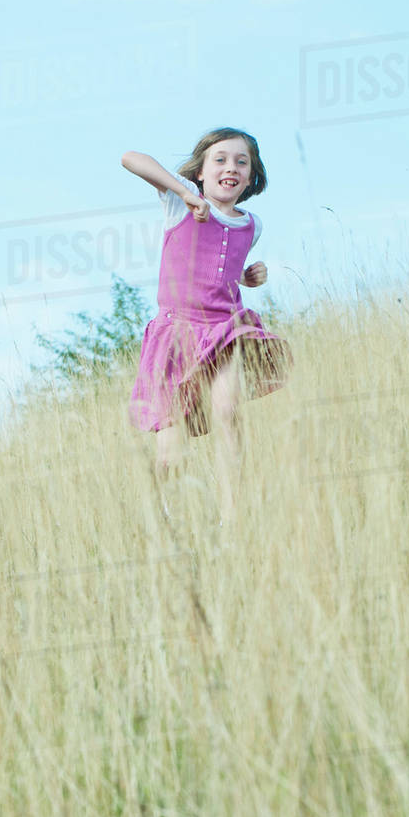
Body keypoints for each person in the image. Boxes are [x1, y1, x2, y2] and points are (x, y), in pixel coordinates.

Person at [122, 127, 292, 522]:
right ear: (200, 171)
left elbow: (226, 269)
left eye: (241, 161)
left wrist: (250, 276)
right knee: (171, 451)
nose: (230, 167)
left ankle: (235, 514)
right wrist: (182, 193)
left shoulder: (252, 225)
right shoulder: (180, 201)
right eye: (220, 159)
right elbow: (131, 157)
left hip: (225, 331)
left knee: (228, 410)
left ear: (251, 177)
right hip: (175, 336)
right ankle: (167, 515)